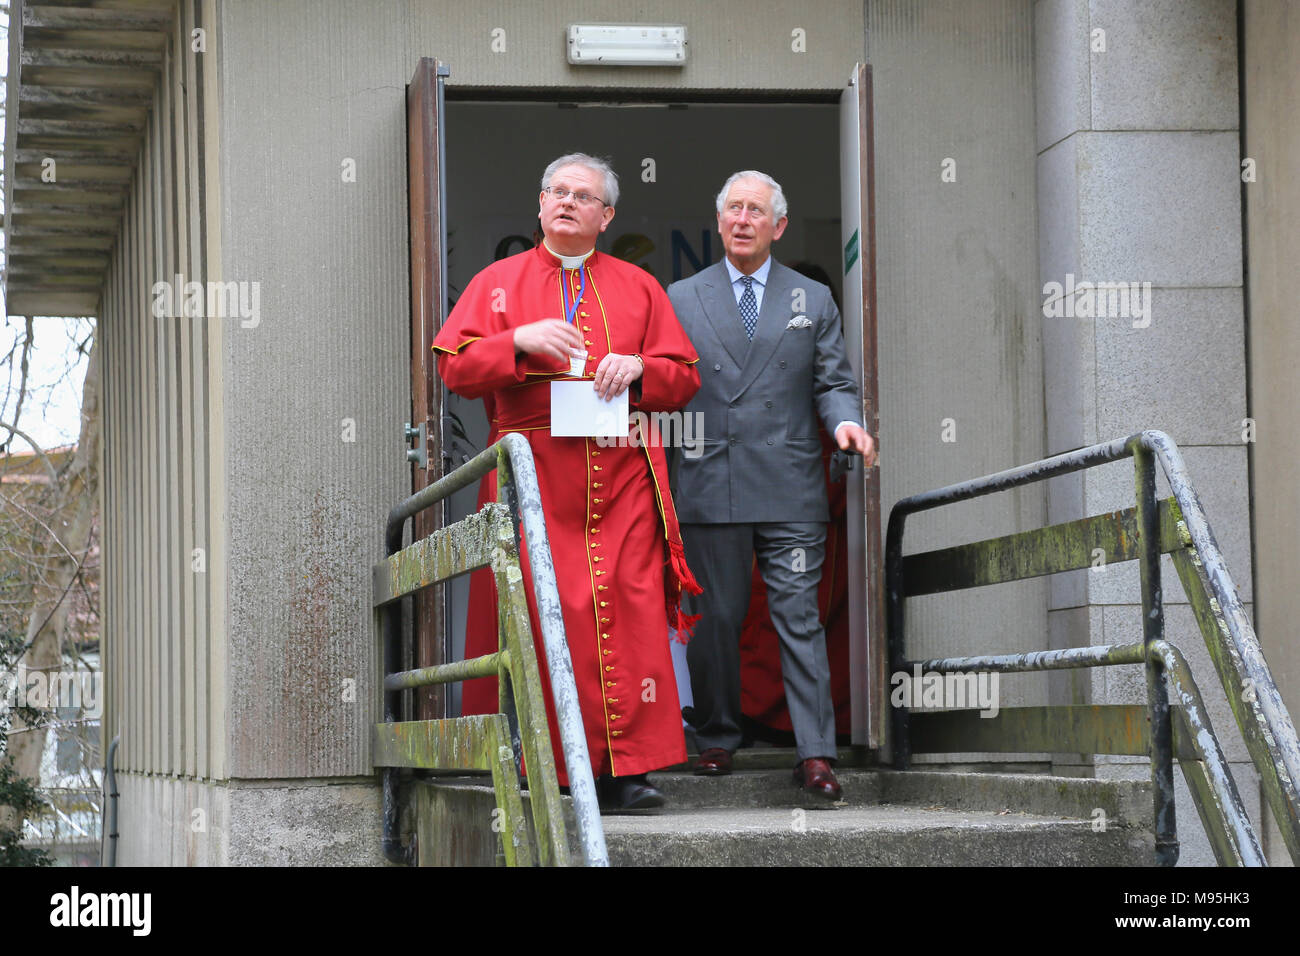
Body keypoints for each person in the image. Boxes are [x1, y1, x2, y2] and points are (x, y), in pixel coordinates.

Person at [433, 153, 702, 813]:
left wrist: (639, 367)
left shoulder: (639, 286)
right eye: (556, 190)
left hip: (620, 476)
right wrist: (518, 340)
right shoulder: (500, 282)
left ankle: (628, 769)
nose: (566, 201)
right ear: (540, 204)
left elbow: (685, 378)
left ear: (605, 216)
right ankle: (541, 762)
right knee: (536, 612)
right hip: (532, 472)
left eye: (583, 195)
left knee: (630, 612)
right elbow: (455, 369)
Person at [667, 170, 877, 800]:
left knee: (797, 617)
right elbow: (662, 378)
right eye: (732, 208)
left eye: (755, 211)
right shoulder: (680, 296)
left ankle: (816, 753)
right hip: (710, 480)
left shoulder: (810, 298)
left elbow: (834, 383)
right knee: (715, 619)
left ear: (777, 226)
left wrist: (846, 425)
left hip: (789, 485)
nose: (742, 219)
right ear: (719, 219)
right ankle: (716, 736)